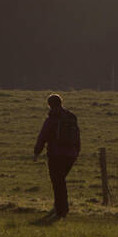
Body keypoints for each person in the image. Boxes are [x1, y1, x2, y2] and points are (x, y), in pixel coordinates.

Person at [33, 93, 80, 221]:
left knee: (58, 183)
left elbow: (42, 137)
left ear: (49, 105)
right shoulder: (71, 117)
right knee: (61, 182)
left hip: (56, 154)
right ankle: (60, 208)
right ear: (61, 102)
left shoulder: (51, 119)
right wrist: (76, 152)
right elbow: (77, 136)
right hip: (71, 155)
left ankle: (61, 211)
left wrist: (37, 152)